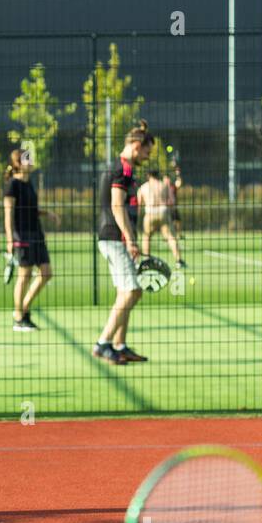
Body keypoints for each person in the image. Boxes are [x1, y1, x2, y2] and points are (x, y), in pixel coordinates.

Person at [94, 120, 155, 365]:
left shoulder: (123, 168)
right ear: (137, 146)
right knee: (132, 291)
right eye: (147, 152)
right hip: (114, 238)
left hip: (112, 238)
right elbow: (117, 206)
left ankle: (119, 346)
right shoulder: (122, 170)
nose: (148, 158)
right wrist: (130, 239)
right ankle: (103, 343)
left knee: (126, 291)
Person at [2, 148, 58, 331]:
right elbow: (8, 213)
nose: (31, 161)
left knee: (46, 273)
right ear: (18, 163)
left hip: (37, 234)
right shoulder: (12, 185)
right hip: (21, 235)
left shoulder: (29, 183)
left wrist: (47, 213)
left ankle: (22, 310)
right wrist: (10, 239)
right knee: (24, 276)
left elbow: (30, 209)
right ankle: (19, 318)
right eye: (27, 159)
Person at [136, 167, 184, 268]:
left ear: (148, 175)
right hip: (163, 211)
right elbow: (172, 201)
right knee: (171, 237)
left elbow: (139, 204)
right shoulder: (164, 186)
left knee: (146, 237)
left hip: (149, 212)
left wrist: (137, 217)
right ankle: (179, 260)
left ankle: (146, 260)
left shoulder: (143, 187)